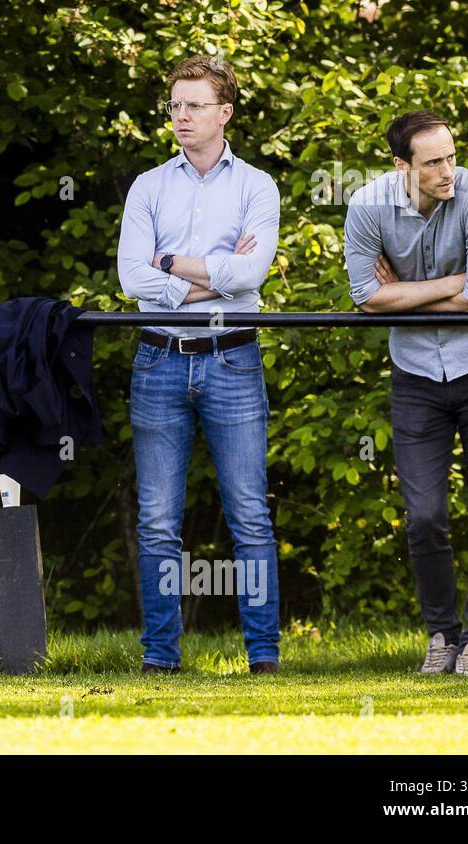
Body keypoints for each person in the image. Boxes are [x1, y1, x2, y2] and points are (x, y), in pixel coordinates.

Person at [116, 54, 282, 674]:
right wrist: (214, 280)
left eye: (195, 105)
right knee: (158, 518)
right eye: (175, 105)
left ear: (225, 114)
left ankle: (263, 658)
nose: (181, 116)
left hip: (233, 360)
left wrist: (170, 265)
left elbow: (252, 274)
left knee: (249, 514)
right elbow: (132, 277)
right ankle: (161, 659)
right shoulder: (149, 186)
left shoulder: (256, 186)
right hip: (158, 361)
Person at [344, 110, 468, 677]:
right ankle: (441, 634)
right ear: (402, 167)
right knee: (423, 516)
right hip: (416, 377)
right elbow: (367, 297)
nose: (449, 170)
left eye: (451, 156)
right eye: (434, 162)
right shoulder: (369, 205)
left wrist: (408, 294)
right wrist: (450, 284)